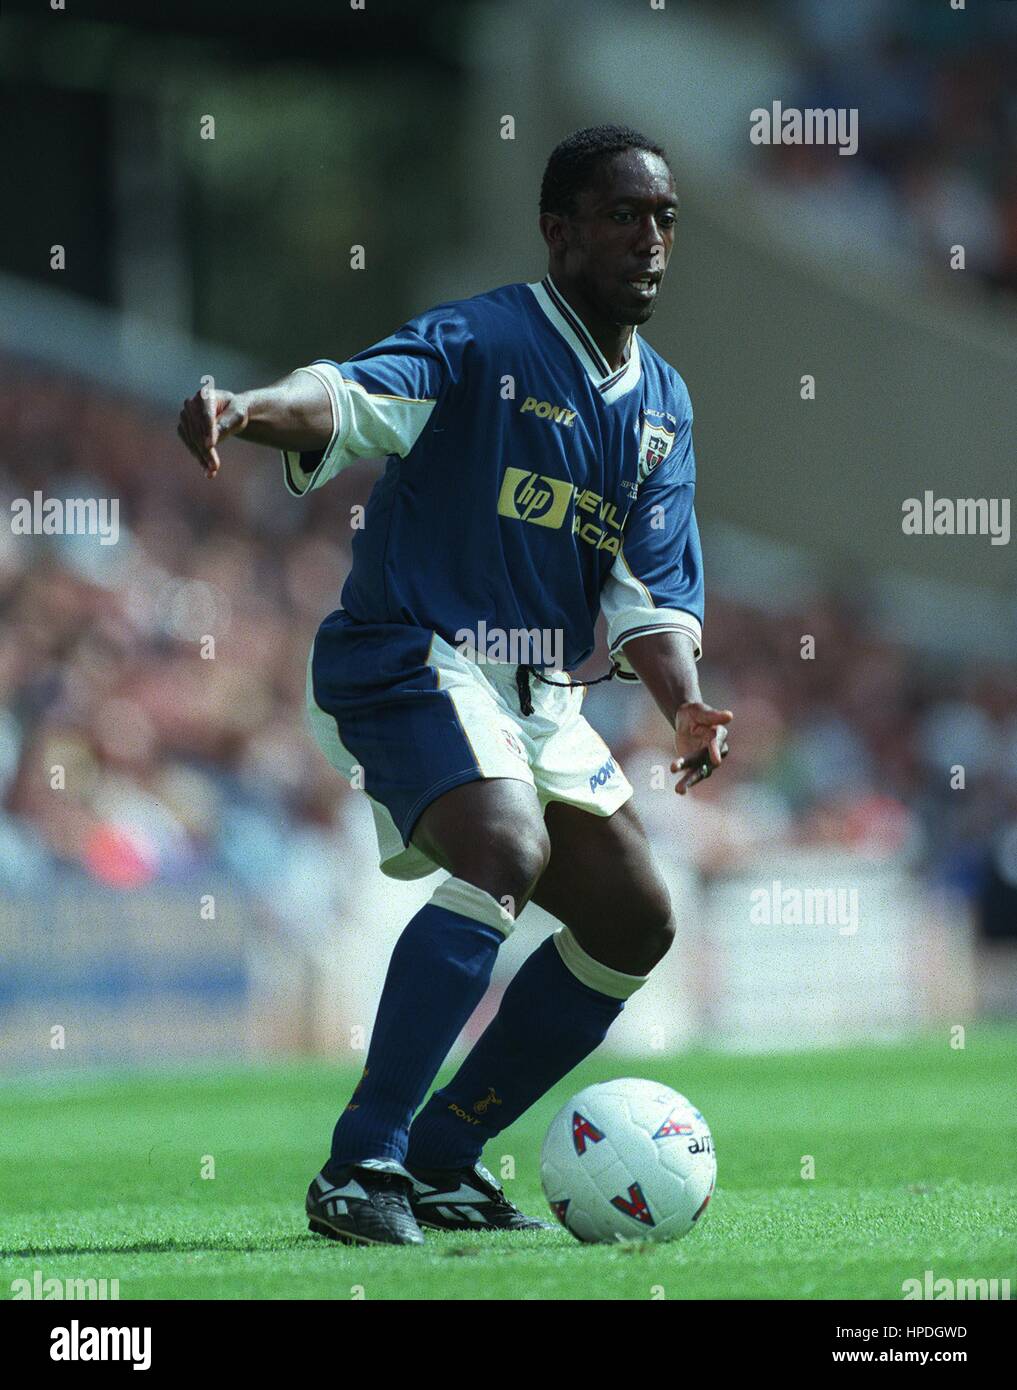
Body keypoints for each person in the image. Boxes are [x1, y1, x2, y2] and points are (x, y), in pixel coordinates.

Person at [178, 124, 732, 1246]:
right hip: (406, 651)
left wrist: (682, 703)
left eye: (665, 218)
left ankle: (443, 1152)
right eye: (624, 215)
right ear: (558, 229)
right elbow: (349, 400)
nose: (650, 239)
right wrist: (243, 410)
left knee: (635, 920)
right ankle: (361, 1159)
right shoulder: (482, 339)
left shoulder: (663, 404)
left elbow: (647, 596)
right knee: (503, 847)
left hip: (534, 692)